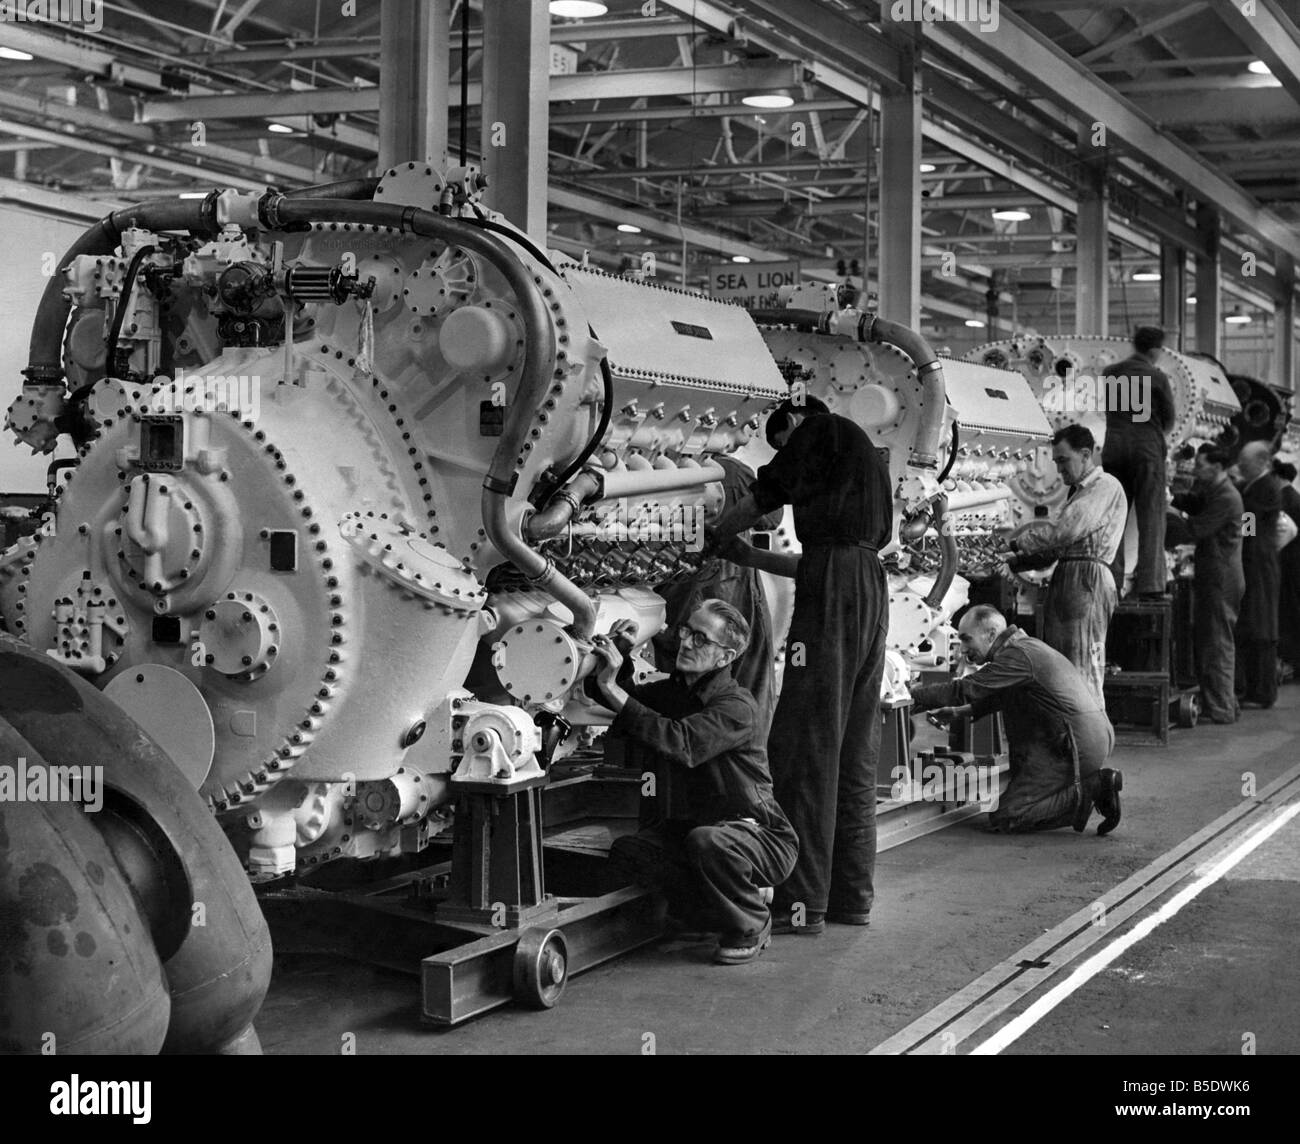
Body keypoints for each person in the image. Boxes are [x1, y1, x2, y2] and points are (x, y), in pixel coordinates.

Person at [707, 394, 891, 936]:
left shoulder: (819, 429)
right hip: (865, 586)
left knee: (807, 741)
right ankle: (849, 897)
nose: (786, 453)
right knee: (854, 749)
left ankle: (801, 902)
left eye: (780, 443)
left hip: (835, 589)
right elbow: (818, 558)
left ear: (792, 424)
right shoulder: (860, 462)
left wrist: (714, 534)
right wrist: (749, 557)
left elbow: (764, 496)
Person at [597, 601, 798, 965]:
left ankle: (752, 920)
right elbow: (617, 698)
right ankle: (706, 914)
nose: (685, 643)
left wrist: (614, 688)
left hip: (756, 835)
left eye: (701, 639)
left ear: (726, 657)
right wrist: (619, 655)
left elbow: (682, 743)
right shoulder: (676, 692)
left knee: (707, 843)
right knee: (631, 851)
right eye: (686, 631)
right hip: (694, 832)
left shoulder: (736, 706)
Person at [911, 605, 1122, 835]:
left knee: (1008, 817)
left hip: (1074, 745)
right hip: (1083, 736)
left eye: (966, 639)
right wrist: (958, 712)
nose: (963, 649)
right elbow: (1007, 696)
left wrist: (909, 697)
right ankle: (1079, 785)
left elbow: (964, 688)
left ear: (991, 634)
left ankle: (1094, 787)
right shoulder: (1025, 647)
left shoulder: (1018, 655)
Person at [653, 455, 782, 735]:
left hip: (712, 582)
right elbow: (772, 515)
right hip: (716, 583)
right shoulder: (728, 472)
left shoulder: (728, 473)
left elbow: (772, 514)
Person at [1000, 424, 1127, 704]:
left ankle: (1089, 737)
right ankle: (1071, 734)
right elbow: (1058, 546)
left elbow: (1064, 531)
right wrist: (1013, 561)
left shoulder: (1104, 486)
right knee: (1064, 666)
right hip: (1073, 576)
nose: (1059, 470)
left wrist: (1014, 544)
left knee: (1083, 666)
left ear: (1085, 454)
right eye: (1056, 462)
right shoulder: (1079, 492)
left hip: (1087, 581)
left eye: (1063, 460)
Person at [1167, 444, 1245, 723]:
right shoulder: (1217, 491)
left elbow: (1196, 529)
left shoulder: (1226, 497)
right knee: (1212, 641)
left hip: (1221, 577)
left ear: (1217, 466)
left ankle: (1222, 709)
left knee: (1217, 642)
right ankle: (1225, 704)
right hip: (1217, 574)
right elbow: (1195, 502)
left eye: (1200, 464)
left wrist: (1165, 513)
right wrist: (1174, 497)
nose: (1196, 469)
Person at [1101, 326, 1176, 599]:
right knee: (1151, 518)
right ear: (1155, 350)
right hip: (1147, 451)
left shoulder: (1110, 373)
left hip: (1115, 450)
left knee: (1115, 519)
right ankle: (1151, 585)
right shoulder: (1157, 376)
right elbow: (1169, 419)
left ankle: (1111, 582)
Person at [1234, 442, 1282, 707]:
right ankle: (1252, 688)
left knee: (1261, 628)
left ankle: (1262, 692)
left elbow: (1248, 525)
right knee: (1252, 626)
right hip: (1253, 563)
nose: (1241, 465)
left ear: (1262, 462)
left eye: (1245, 461)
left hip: (1259, 565)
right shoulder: (1253, 486)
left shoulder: (1265, 489)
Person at [1273, 460, 1300, 676]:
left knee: (1287, 613)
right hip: (1294, 564)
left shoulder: (1282, 499)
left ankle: (1289, 661)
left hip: (1286, 564)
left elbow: (1252, 530)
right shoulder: (1295, 497)